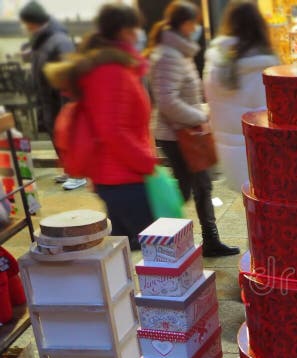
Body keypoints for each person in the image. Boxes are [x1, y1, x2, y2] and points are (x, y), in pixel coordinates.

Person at [43, 4, 155, 249]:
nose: (139, 35)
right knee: (154, 250)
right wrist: (146, 161)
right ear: (126, 31)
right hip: (123, 177)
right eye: (136, 29)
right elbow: (113, 131)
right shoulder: (110, 71)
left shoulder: (114, 66)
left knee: (133, 247)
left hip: (119, 175)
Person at [147, 1, 239, 257]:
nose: (197, 27)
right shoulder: (169, 55)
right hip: (178, 134)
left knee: (200, 186)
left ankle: (206, 240)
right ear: (184, 24)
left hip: (185, 131)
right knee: (190, 189)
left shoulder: (178, 52)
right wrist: (199, 114)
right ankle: (161, 239)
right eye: (194, 22)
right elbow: (166, 101)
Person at [203, 0, 279, 191]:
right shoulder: (265, 64)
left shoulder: (215, 59)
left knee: (246, 196)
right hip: (261, 154)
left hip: (227, 151)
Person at [18, 1, 86, 190]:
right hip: (48, 98)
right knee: (57, 136)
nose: (26, 27)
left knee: (67, 135)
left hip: (60, 99)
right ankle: (69, 169)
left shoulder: (59, 40)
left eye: (27, 22)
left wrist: (69, 105)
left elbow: (69, 74)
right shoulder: (42, 39)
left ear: (34, 21)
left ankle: (79, 173)